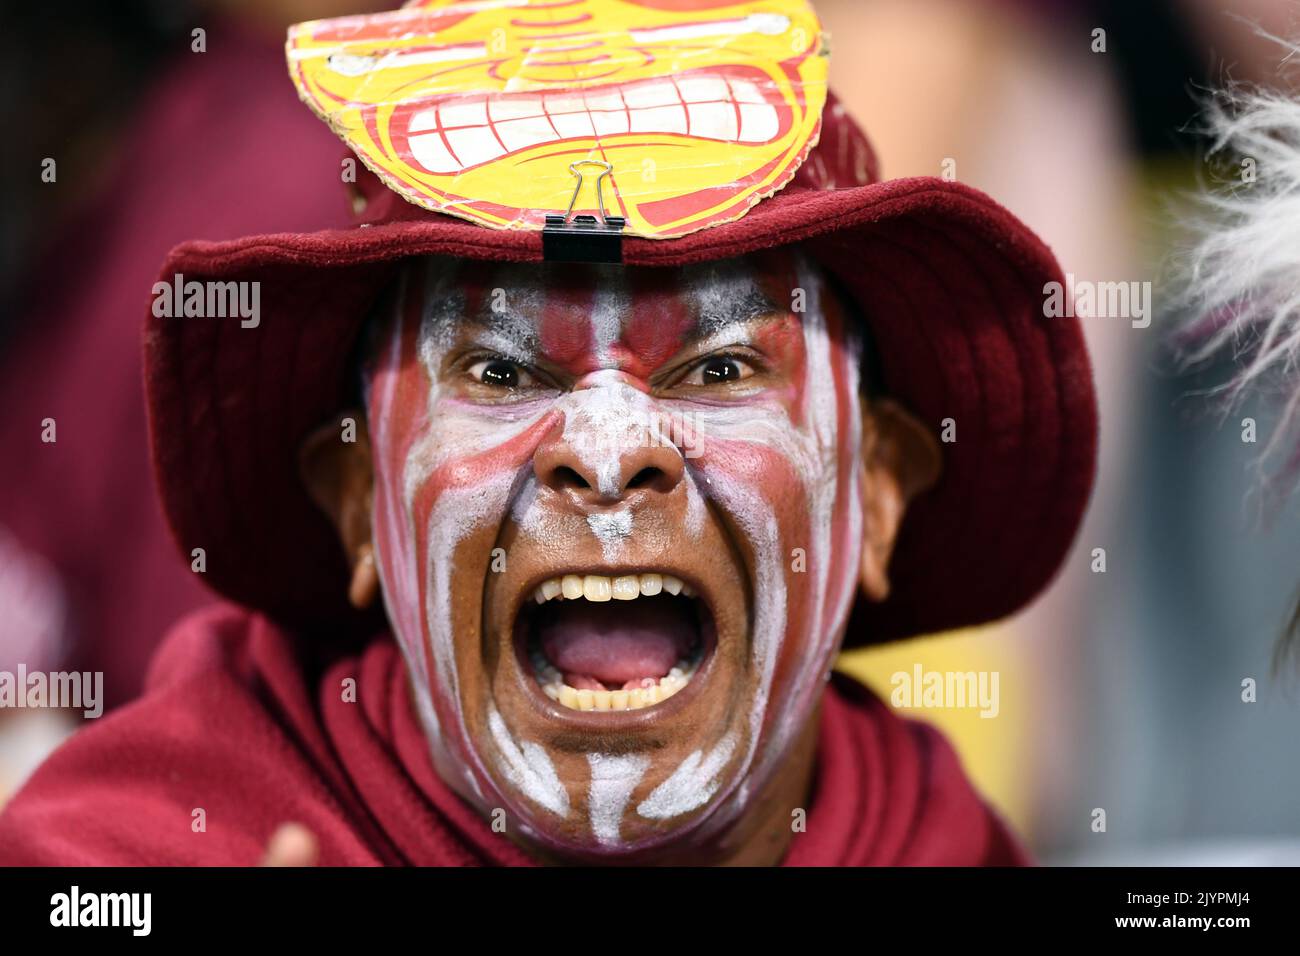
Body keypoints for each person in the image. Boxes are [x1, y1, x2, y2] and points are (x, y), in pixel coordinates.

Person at [0, 0, 1095, 865]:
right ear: (355, 502)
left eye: (719, 367)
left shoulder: (936, 839)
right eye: (498, 369)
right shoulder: (131, 851)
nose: (610, 447)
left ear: (879, 490)